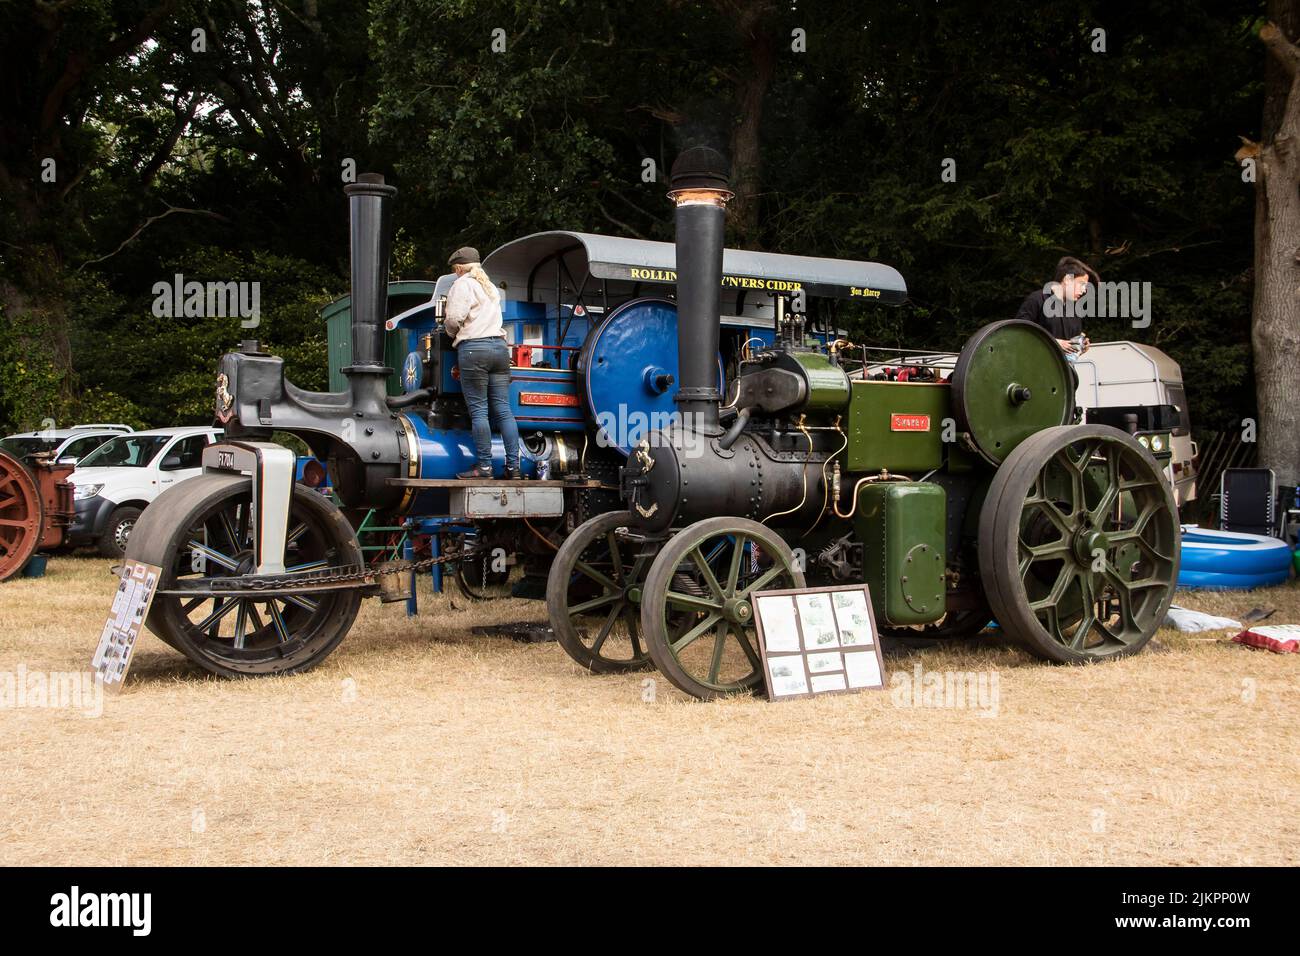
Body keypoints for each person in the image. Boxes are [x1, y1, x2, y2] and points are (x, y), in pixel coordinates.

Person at [443, 246, 521, 480]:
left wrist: (449, 331)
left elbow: (454, 319)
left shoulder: (462, 284)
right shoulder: (491, 288)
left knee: (479, 412)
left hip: (474, 349)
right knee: (504, 411)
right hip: (499, 348)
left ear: (459, 268)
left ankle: (485, 467)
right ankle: (514, 468)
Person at [1014, 256, 1097, 355]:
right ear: (1067, 279)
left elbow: (1071, 346)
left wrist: (1081, 345)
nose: (1084, 290)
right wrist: (1054, 342)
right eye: (1081, 284)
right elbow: (1019, 333)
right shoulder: (1036, 299)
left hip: (1065, 369)